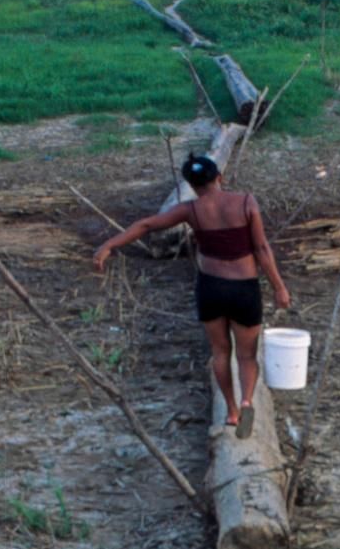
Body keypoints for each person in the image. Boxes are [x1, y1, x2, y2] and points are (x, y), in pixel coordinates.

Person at [91, 154, 292, 437]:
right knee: (247, 355)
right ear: (219, 177)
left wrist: (108, 244)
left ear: (192, 185)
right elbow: (261, 249)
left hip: (211, 288)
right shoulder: (246, 202)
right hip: (244, 288)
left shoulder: (191, 210)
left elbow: (147, 225)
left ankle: (232, 413)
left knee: (220, 352)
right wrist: (279, 287)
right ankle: (247, 399)